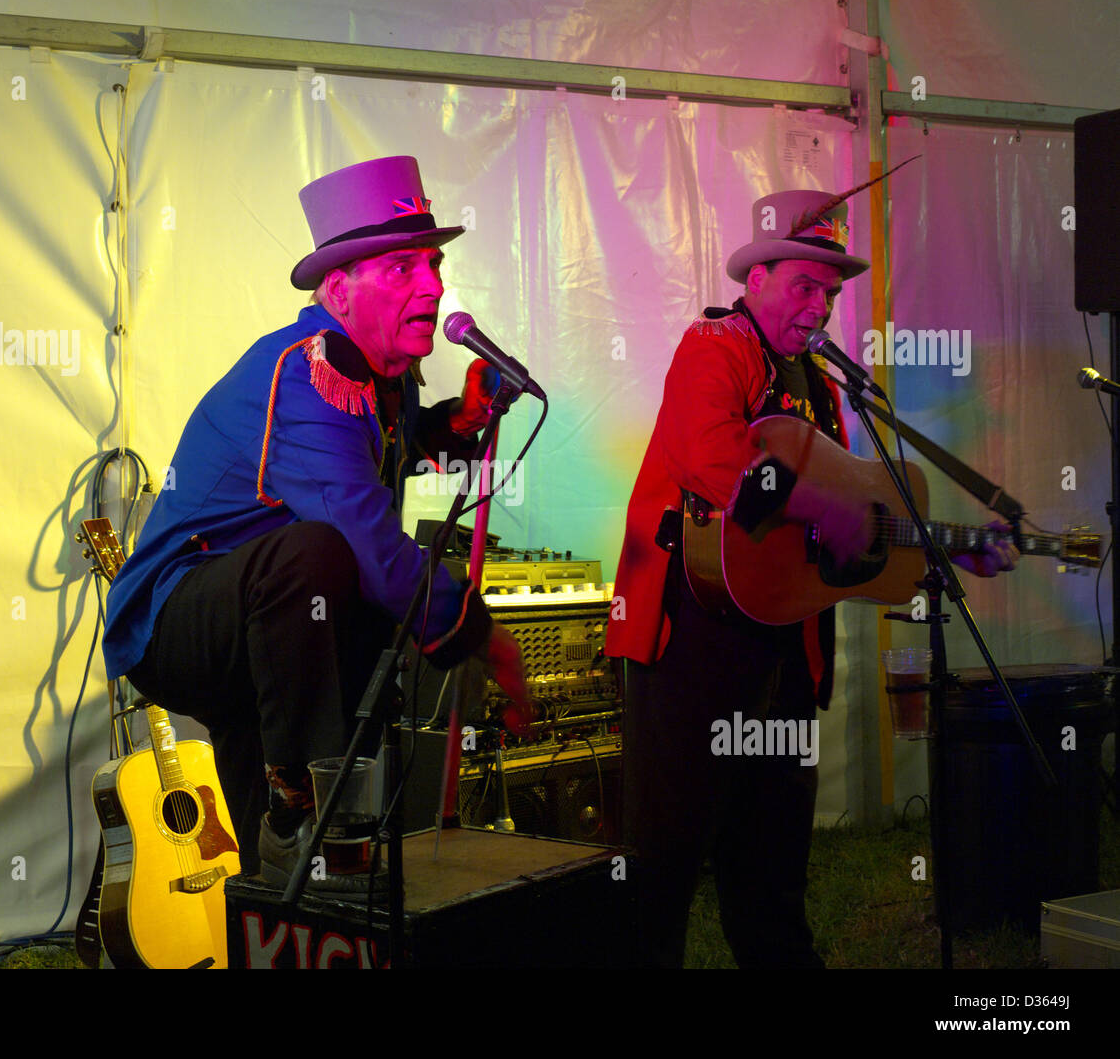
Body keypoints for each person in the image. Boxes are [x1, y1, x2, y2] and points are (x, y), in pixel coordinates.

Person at [607, 189, 1017, 967]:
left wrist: (947, 545)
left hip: (783, 649)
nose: (821, 306)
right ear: (757, 276)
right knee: (664, 858)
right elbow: (713, 457)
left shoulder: (824, 385)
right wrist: (823, 505)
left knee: (772, 863)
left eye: (831, 292)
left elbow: (838, 522)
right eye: (806, 286)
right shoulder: (715, 344)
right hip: (692, 639)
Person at [101, 155, 530, 898]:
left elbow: (376, 456)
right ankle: (306, 810)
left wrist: (454, 422)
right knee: (327, 560)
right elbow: (364, 538)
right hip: (178, 617)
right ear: (340, 289)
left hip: (267, 629)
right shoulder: (309, 372)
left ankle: (297, 858)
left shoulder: (375, 370)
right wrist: (488, 642)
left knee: (282, 896)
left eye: (430, 264)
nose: (430, 283)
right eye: (401, 269)